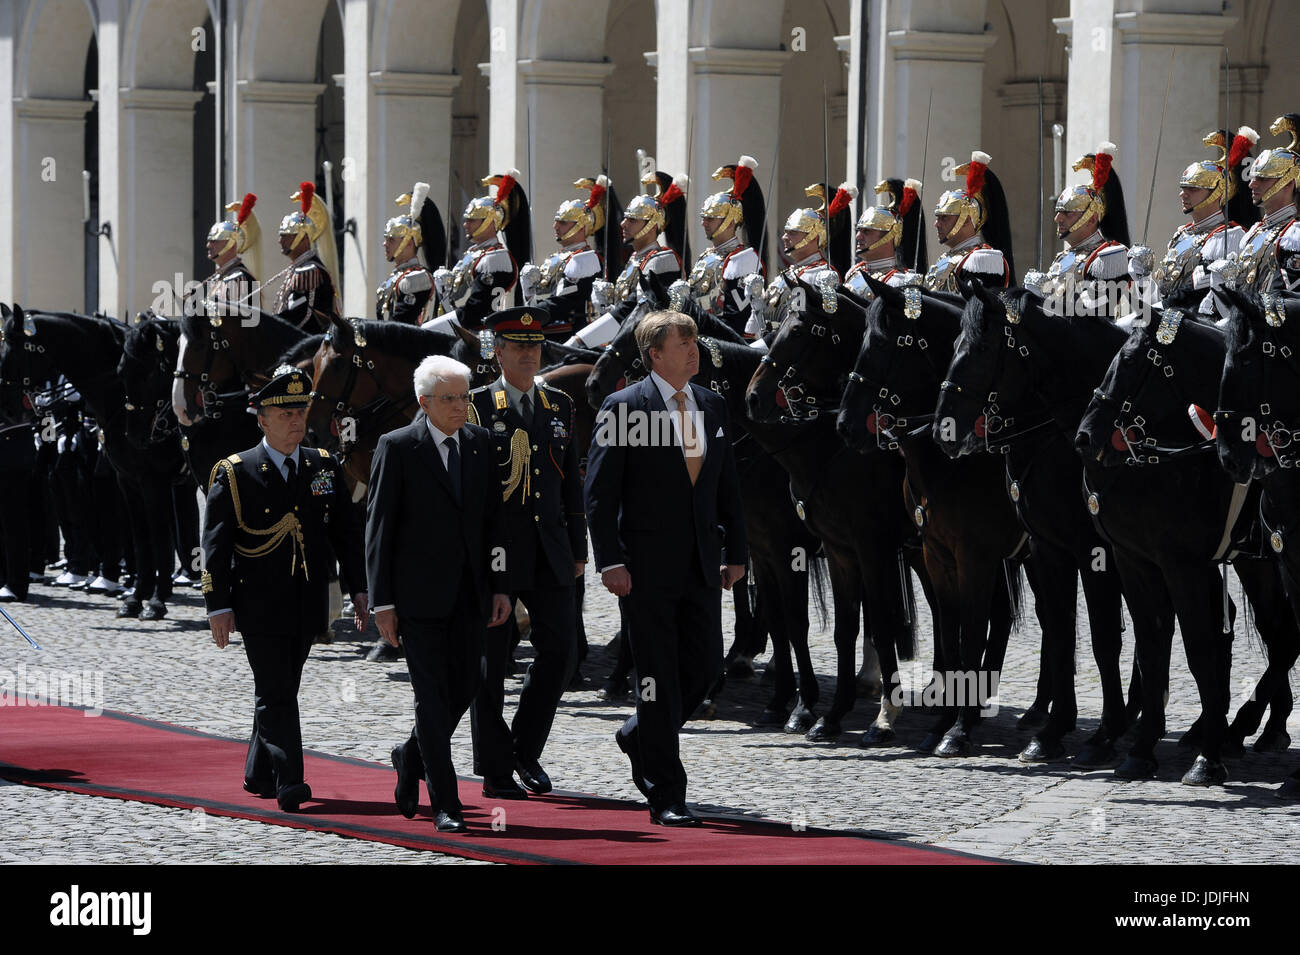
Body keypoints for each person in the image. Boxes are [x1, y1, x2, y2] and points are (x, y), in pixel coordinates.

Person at [585, 310, 747, 826]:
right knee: (655, 677)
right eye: (683, 343)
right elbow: (599, 493)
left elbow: (727, 488)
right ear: (655, 354)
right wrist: (609, 559)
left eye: (695, 341)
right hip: (644, 569)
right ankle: (665, 794)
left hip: (702, 564)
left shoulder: (713, 405)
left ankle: (639, 736)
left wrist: (737, 551)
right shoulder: (625, 406)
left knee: (705, 668)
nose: (694, 350)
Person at [202, 365, 367, 812]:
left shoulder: (322, 465)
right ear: (263, 419)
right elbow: (215, 546)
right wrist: (217, 605)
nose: (297, 419)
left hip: (307, 598)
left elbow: (346, 535)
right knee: (275, 688)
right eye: (286, 412)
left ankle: (257, 771)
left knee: (281, 686)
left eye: (301, 410)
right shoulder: (236, 473)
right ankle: (289, 778)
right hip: (257, 601)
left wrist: (360, 589)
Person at [367, 354, 512, 833]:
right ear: (423, 401)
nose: (458, 407)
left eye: (464, 397)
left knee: (465, 687)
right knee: (430, 699)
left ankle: (409, 756)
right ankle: (445, 803)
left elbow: (495, 524)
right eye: (448, 399)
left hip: (470, 595)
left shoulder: (481, 444)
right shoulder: (398, 446)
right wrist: (381, 602)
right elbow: (380, 527)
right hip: (417, 599)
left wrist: (500, 586)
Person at [466, 307, 586, 799]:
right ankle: (495, 770)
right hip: (496, 553)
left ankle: (523, 749)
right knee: (492, 665)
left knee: (562, 651)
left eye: (535, 346)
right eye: (518, 347)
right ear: (497, 351)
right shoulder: (475, 406)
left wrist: (579, 547)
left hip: (549, 550)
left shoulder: (558, 405)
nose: (529, 354)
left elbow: (570, 481)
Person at [1130, 128, 1255, 315]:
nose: (1183, 194)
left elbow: (1200, 296)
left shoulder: (1230, 235)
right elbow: (1163, 293)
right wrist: (1142, 277)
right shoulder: (1181, 234)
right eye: (1183, 187)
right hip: (1167, 317)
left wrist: (1156, 311)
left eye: (1193, 188)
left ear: (1217, 192)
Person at [570, 172, 686, 349]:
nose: (623, 224)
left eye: (632, 220)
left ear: (652, 224)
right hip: (624, 341)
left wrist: (580, 340)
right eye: (625, 218)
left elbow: (635, 309)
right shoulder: (635, 259)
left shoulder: (661, 260)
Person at [1029, 142, 1132, 319]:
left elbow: (1094, 313)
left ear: (1091, 218)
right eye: (1058, 212)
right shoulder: (1064, 256)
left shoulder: (1108, 256)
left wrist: (1044, 297)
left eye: (1067, 213)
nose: (1057, 219)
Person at [746, 182, 853, 340]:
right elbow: (761, 324)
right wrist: (756, 300)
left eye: (793, 233)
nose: (784, 237)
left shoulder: (822, 274)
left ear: (814, 236)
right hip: (771, 346)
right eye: (786, 232)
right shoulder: (788, 273)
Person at [429, 169, 529, 331]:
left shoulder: (494, 258)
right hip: (463, 329)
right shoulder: (475, 254)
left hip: (483, 335)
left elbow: (476, 308)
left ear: (490, 222)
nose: (465, 225)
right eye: (466, 220)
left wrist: (438, 326)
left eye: (472, 220)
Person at [681, 156, 765, 336]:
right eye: (704, 218)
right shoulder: (706, 256)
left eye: (710, 219)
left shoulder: (744, 259)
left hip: (721, 342)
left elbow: (736, 317)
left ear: (730, 221)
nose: (704, 223)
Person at [518, 177, 610, 334]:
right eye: (556, 221)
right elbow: (542, 298)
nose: (555, 226)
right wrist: (528, 291)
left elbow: (562, 303)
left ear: (581, 226)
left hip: (566, 333)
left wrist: (526, 317)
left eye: (563, 222)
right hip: (544, 328)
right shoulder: (558, 257)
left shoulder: (585, 259)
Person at [1225, 114, 1300, 296]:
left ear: (1289, 183)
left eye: (1263, 179)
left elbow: (1286, 299)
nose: (1252, 184)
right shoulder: (1253, 232)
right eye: (1253, 178)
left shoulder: (1295, 236)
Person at [925, 150, 1015, 293]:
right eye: (938, 217)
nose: (937, 224)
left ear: (966, 220)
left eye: (944, 217)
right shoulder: (946, 258)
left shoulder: (981, 260)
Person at [273, 181, 342, 331]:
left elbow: (302, 315)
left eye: (286, 236)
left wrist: (273, 328)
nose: (280, 241)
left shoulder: (308, 270)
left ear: (303, 239)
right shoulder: (300, 268)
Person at [843, 178, 927, 298]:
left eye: (866, 231)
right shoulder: (853, 273)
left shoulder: (898, 282)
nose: (858, 236)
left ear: (890, 236)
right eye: (859, 230)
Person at [377, 182, 442, 324]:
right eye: (385, 239)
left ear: (409, 243)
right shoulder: (399, 276)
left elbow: (400, 323)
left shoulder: (415, 278)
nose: (385, 244)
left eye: (391, 240)